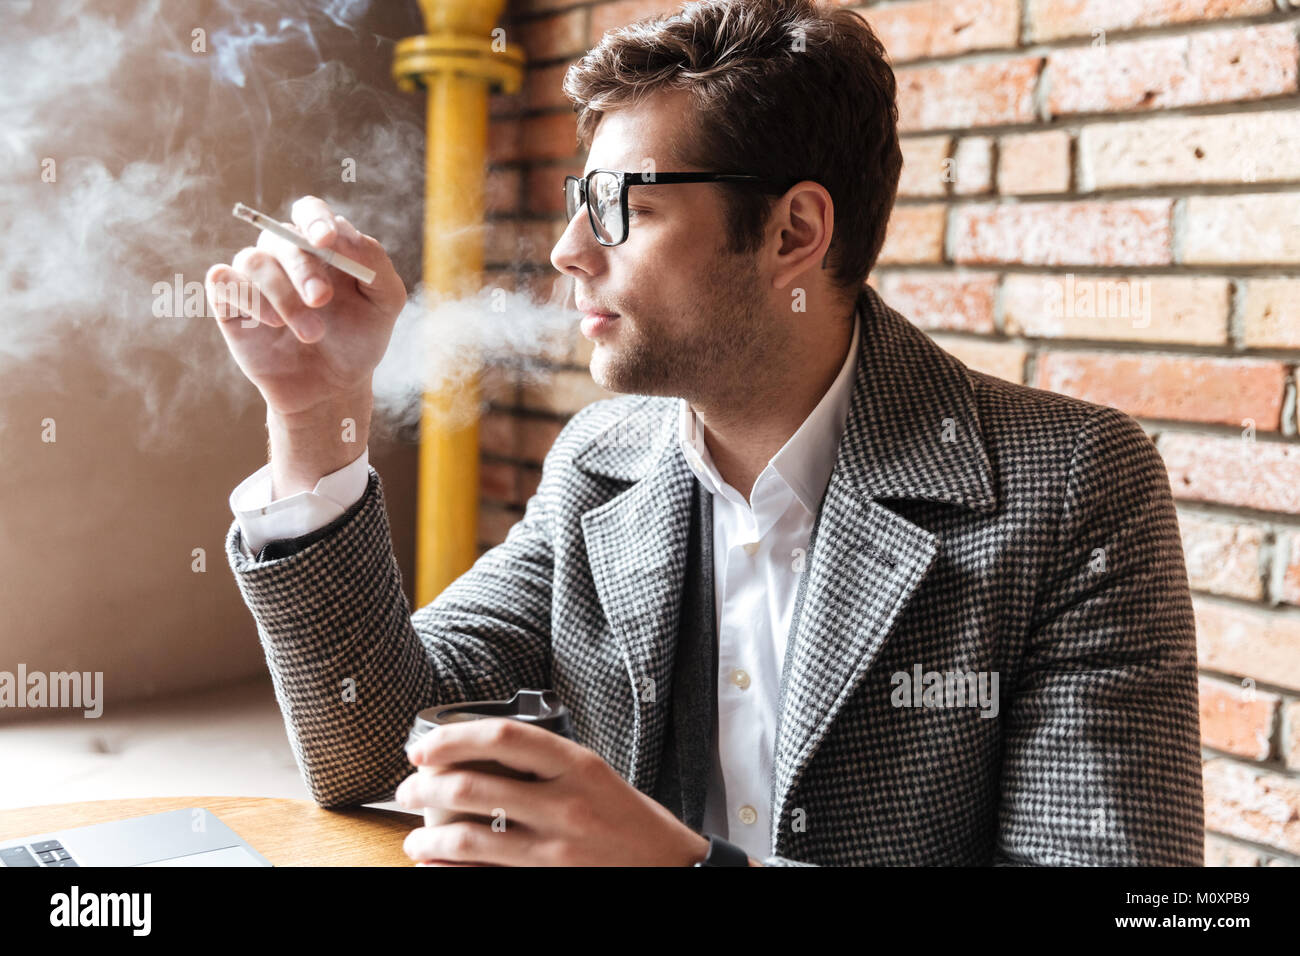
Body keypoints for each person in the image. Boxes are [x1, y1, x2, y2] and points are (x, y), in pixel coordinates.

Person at [205, 0, 1204, 866]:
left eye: (615, 205)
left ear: (792, 233)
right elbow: (374, 743)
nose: (567, 252)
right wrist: (312, 409)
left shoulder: (1072, 483)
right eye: (572, 203)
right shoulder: (602, 461)